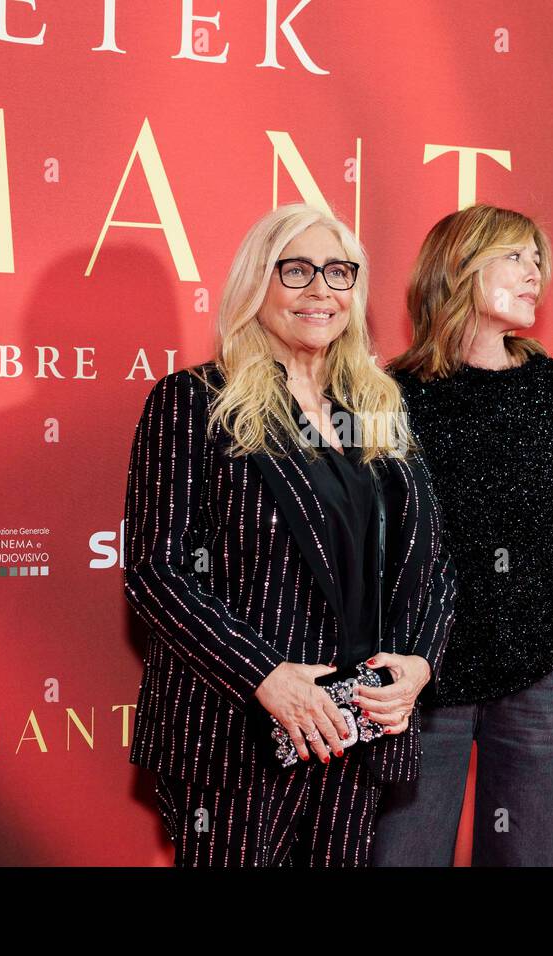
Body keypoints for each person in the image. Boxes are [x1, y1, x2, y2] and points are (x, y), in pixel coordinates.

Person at [122, 203, 457, 867]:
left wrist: (419, 664)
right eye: (296, 270)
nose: (319, 290)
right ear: (257, 284)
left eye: (338, 273)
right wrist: (267, 679)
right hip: (239, 733)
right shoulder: (196, 402)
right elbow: (156, 571)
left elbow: (432, 562)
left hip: (357, 727)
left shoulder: (377, 411)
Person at [372, 203, 553, 867]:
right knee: (403, 855)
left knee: (532, 857)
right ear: (457, 269)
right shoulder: (387, 395)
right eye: (516, 256)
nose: (535, 272)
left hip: (539, 669)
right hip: (423, 676)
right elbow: (370, 540)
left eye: (538, 259)